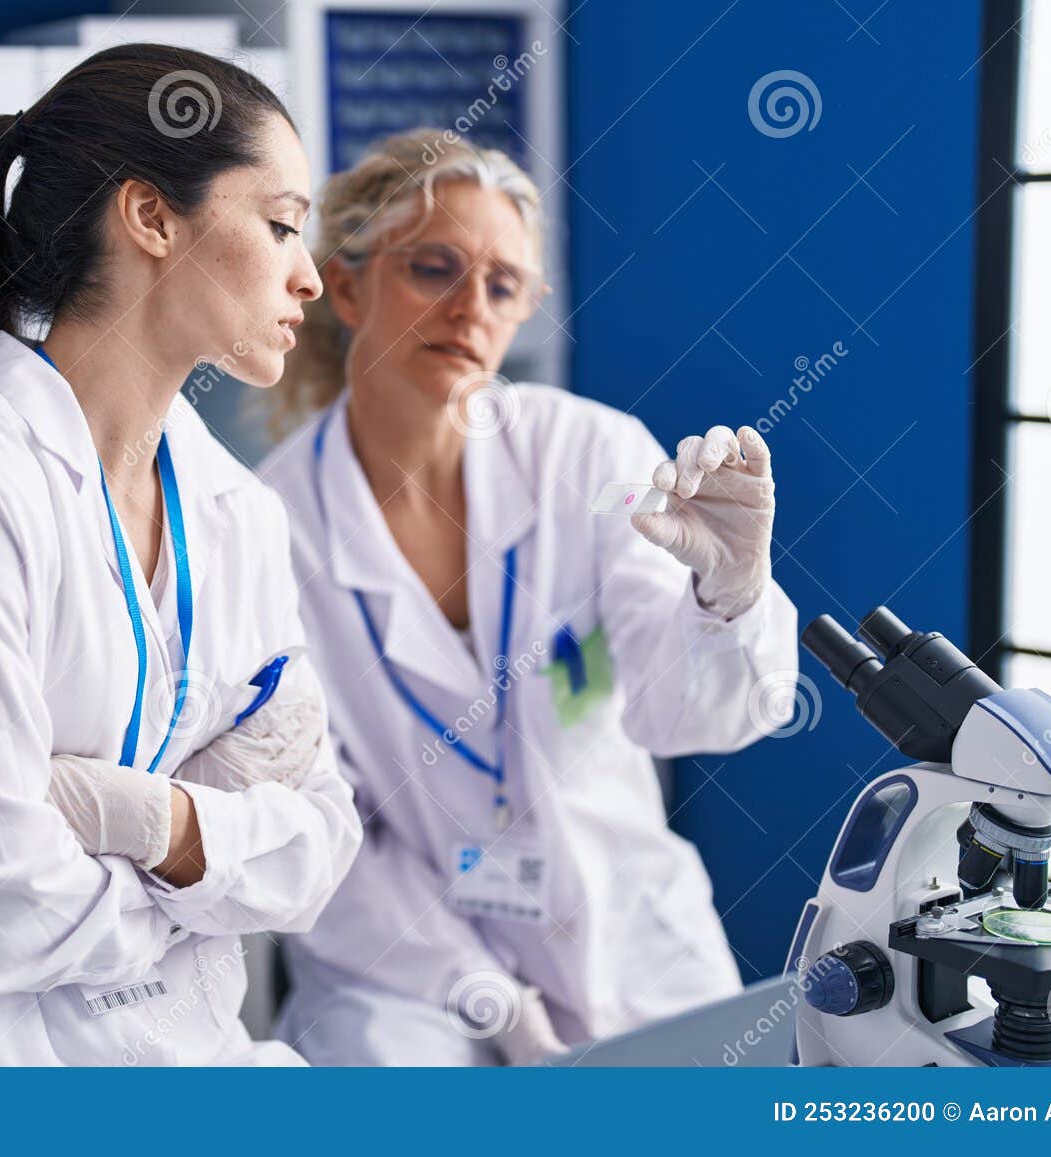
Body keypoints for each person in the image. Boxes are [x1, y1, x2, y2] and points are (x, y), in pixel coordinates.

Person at [0, 45, 360, 1067]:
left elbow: (320, 849)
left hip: (179, 1054)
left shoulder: (238, 513)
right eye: (276, 225)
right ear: (150, 217)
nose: (308, 274)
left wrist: (135, 816)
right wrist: (203, 868)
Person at [258, 129, 800, 1065]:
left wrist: (729, 590)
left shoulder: (593, 458)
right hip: (402, 974)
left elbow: (687, 717)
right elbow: (323, 829)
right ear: (344, 287)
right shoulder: (270, 523)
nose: (471, 308)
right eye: (434, 267)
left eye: (503, 286)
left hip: (629, 935)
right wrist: (488, 1002)